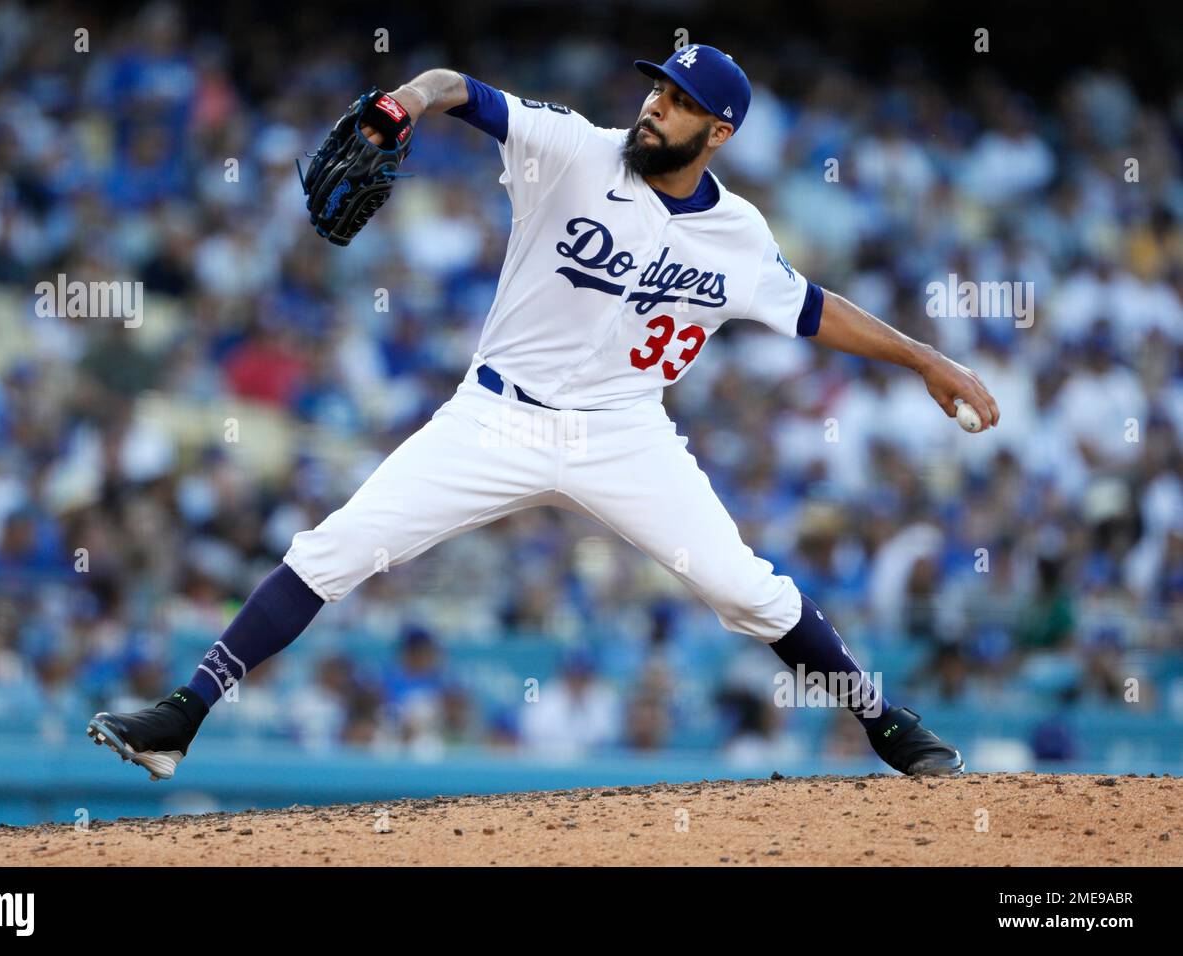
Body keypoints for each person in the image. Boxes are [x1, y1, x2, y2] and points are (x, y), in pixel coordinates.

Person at [88, 44, 999, 780]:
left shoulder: (740, 235)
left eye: (678, 103)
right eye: (655, 91)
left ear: (718, 131)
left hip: (624, 433)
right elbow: (456, 87)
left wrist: (925, 357)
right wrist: (403, 102)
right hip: (495, 419)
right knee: (337, 546)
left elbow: (810, 307)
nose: (654, 107)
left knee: (742, 588)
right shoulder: (571, 148)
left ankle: (887, 726)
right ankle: (183, 714)